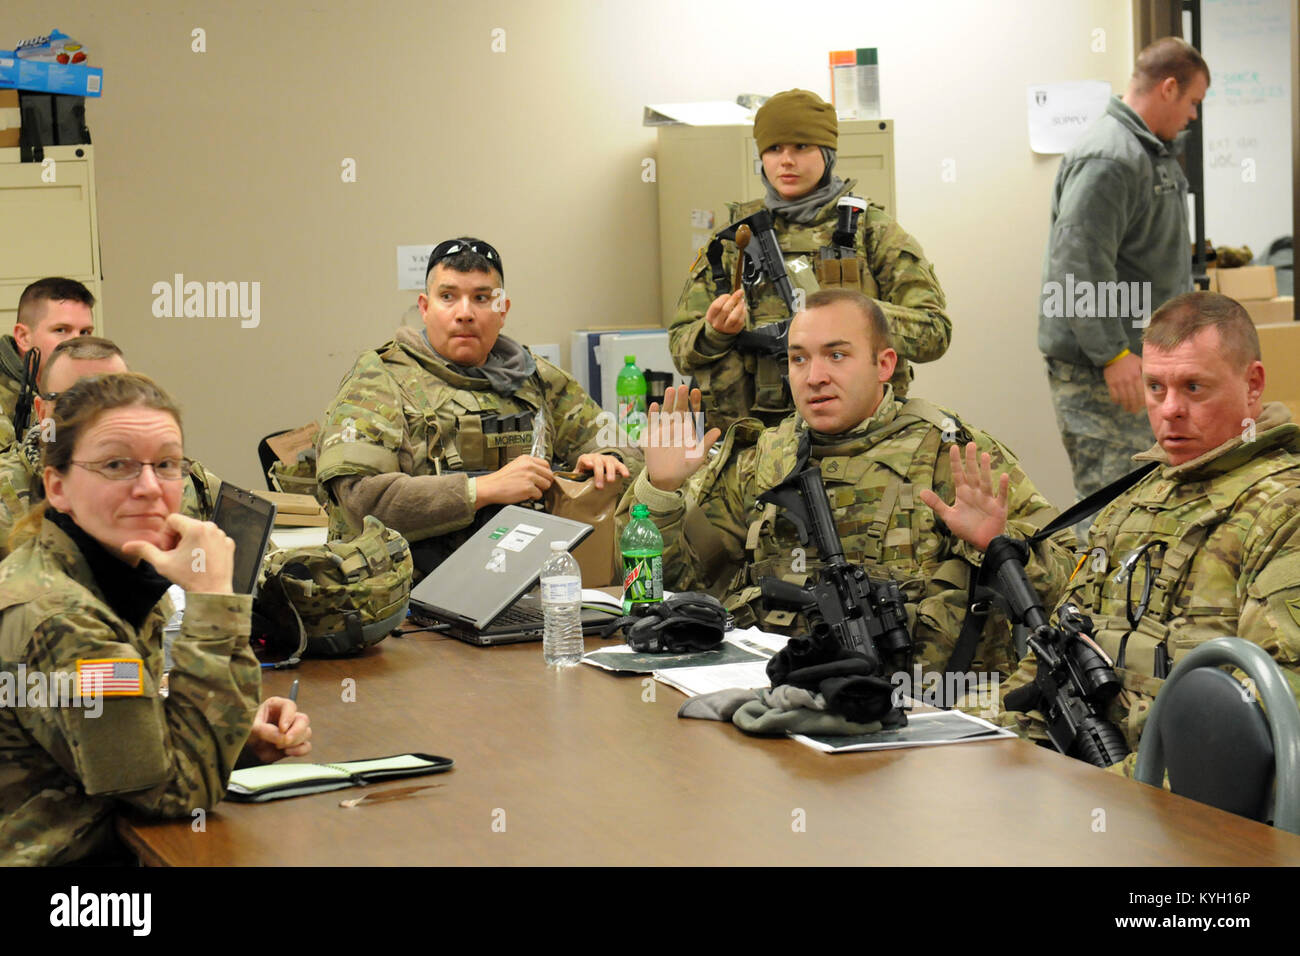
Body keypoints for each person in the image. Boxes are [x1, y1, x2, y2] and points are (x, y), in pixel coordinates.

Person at [623, 289, 1072, 679]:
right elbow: (681, 593)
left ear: (884, 364)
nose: (815, 376)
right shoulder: (765, 455)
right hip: (774, 692)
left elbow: (1068, 587)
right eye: (798, 358)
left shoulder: (951, 454)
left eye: (837, 355)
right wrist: (662, 493)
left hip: (926, 706)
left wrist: (1000, 547)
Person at [0, 372, 311, 865]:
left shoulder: (110, 574)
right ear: (57, 487)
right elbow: (173, 794)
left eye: (166, 464)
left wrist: (233, 733)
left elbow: (140, 749)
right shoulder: (64, 620)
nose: (148, 487)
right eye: (116, 464)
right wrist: (213, 600)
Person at [1003, 292, 1300, 775]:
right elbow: (1056, 649)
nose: (1170, 410)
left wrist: (1107, 793)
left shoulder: (1284, 512)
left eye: (1194, 388)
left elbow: (1269, 715)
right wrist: (996, 742)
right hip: (1091, 785)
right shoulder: (1131, 501)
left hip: (1196, 815)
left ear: (1253, 384)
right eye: (1155, 387)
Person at [317, 237, 641, 577]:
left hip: (526, 584)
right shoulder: (380, 379)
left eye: (482, 298)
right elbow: (362, 501)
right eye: (448, 297)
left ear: (503, 310)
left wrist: (606, 461)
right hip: (405, 596)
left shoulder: (536, 379)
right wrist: (480, 490)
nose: (465, 313)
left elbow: (628, 451)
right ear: (425, 308)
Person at [668, 89, 950, 434]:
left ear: (827, 154)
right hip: (752, 444)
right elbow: (681, 350)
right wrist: (715, 333)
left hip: (859, 443)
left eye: (801, 147)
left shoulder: (871, 230)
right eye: (774, 149)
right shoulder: (734, 241)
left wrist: (859, 317)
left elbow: (934, 332)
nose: (786, 160)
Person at [1039, 38, 1209, 514]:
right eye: (1193, 101)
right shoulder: (1111, 157)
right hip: (1104, 367)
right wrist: (1112, 353)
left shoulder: (1148, 151)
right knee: (1110, 503)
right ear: (1169, 87)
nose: (1193, 115)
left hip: (1140, 358)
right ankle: (1095, 591)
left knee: (1145, 496)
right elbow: (1078, 265)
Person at [0, 337, 222, 559]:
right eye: (74, 401)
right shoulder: (6, 488)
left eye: (119, 399)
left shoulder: (192, 485)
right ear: (42, 411)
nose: (99, 417)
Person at [0, 278, 96, 439]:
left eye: (85, 332)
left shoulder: (93, 390)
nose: (77, 342)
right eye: (61, 330)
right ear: (23, 337)